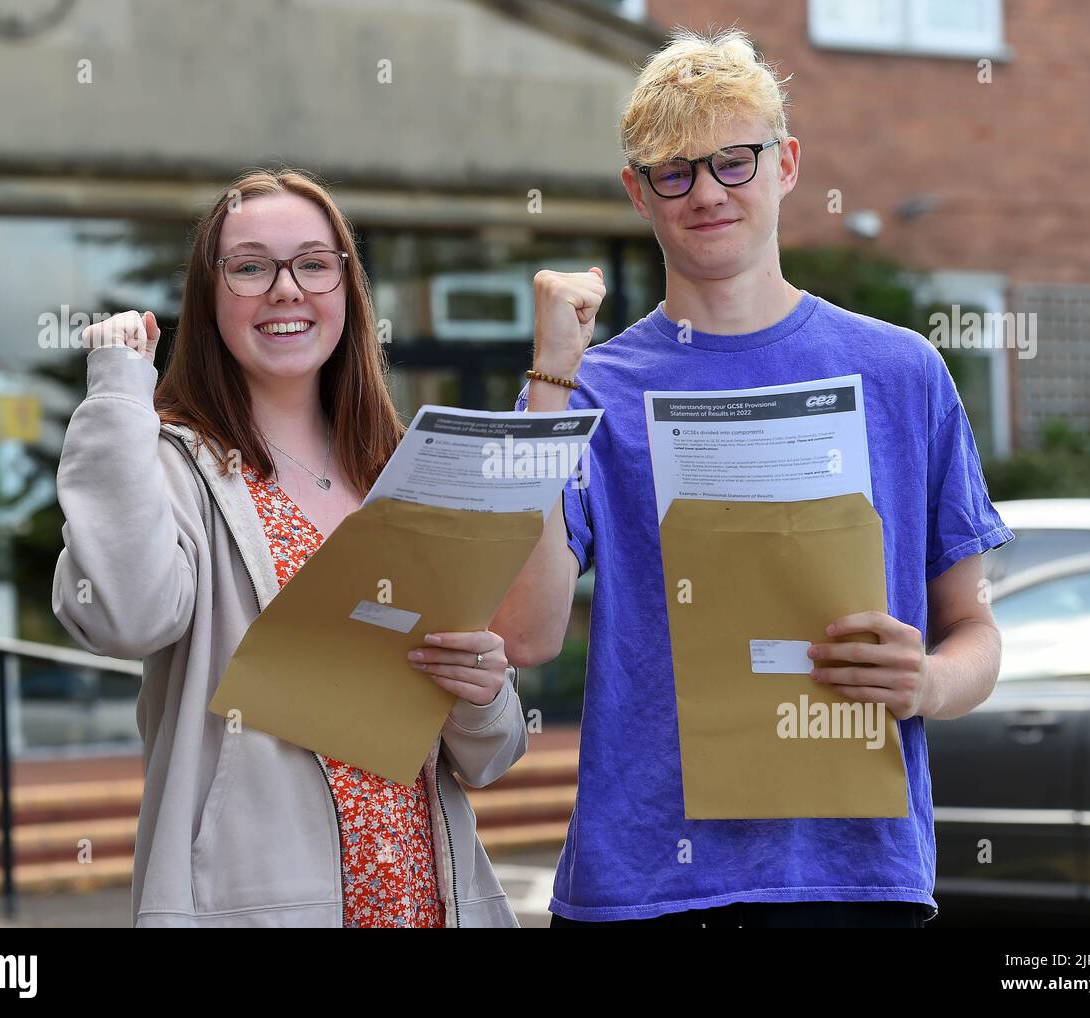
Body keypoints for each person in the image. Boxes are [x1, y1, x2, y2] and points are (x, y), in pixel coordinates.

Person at [492, 28, 1015, 928]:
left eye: (734, 162)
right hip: (645, 885)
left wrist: (927, 684)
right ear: (638, 192)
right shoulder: (586, 389)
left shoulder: (899, 372)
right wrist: (549, 379)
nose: (705, 193)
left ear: (787, 165)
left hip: (853, 879)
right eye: (673, 171)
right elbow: (527, 634)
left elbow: (974, 631)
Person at [52, 168, 526, 928]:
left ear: (347, 288)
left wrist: (481, 690)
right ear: (210, 300)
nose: (286, 289)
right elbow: (126, 617)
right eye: (249, 267)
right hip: (257, 907)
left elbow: (490, 755)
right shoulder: (176, 464)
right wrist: (115, 398)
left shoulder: (401, 470)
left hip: (423, 903)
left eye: (313, 262)